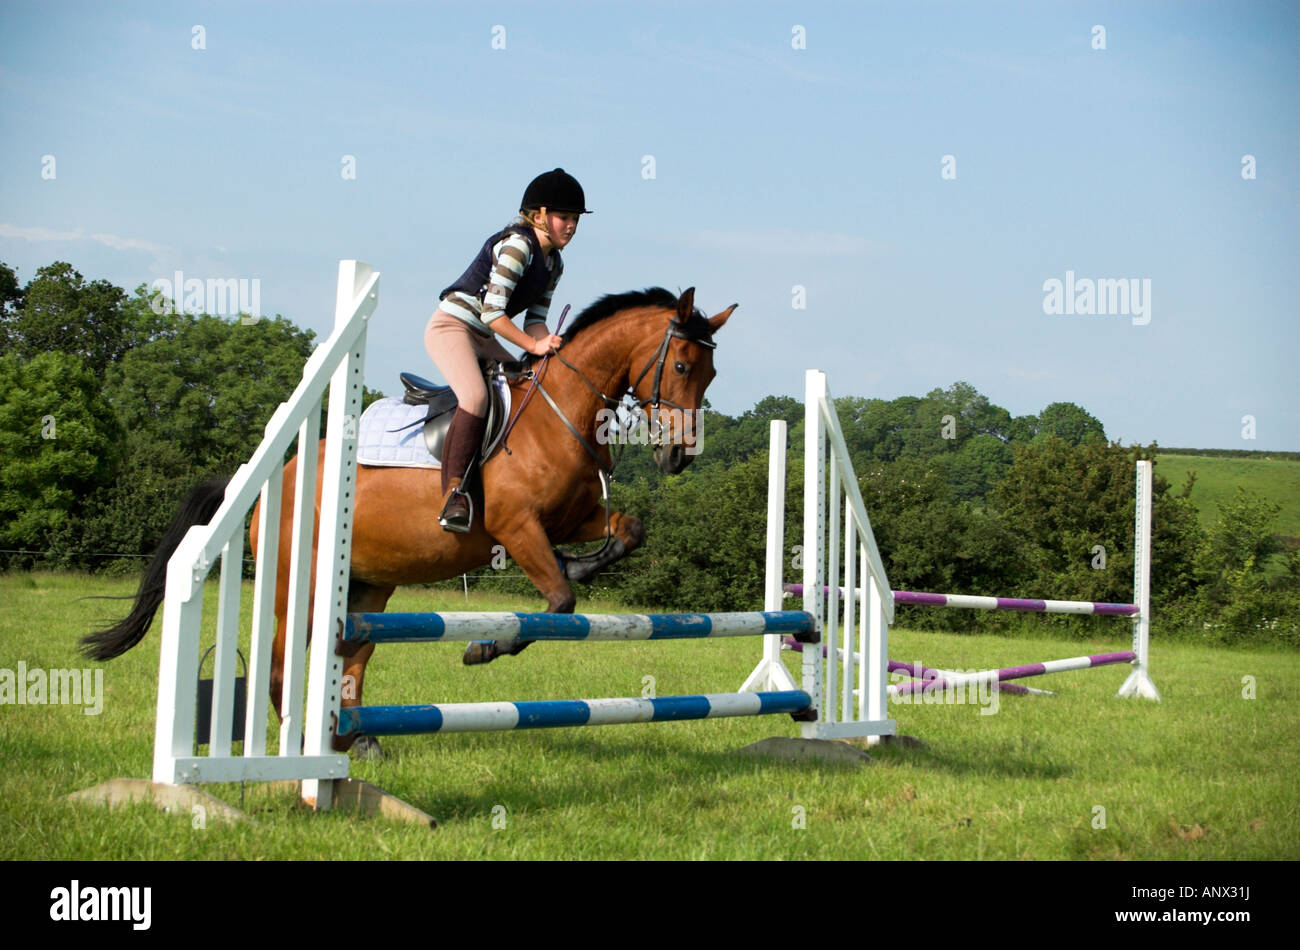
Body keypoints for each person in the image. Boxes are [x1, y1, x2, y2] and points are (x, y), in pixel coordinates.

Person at [425, 168, 590, 532]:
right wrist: (533, 345)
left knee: (528, 387)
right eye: (565, 217)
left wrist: (552, 349)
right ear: (539, 215)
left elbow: (535, 321)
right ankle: (453, 494)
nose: (572, 226)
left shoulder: (553, 264)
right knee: (475, 397)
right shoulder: (517, 246)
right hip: (451, 326)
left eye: (576, 219)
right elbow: (493, 312)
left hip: (484, 336)